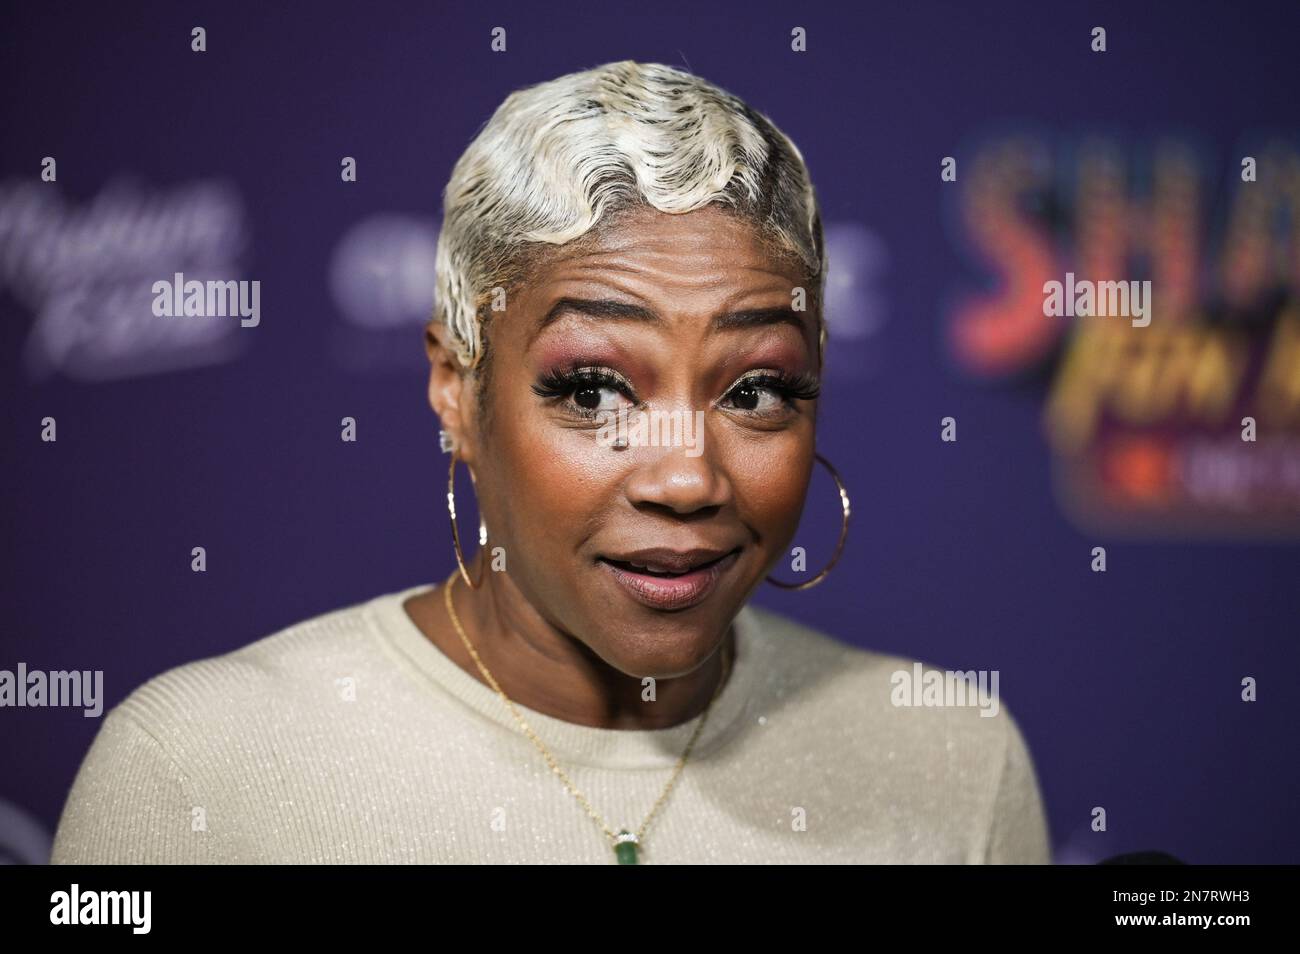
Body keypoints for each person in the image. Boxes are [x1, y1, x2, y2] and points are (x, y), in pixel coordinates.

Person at [51, 60, 1050, 865]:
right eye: (592, 390)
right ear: (456, 388)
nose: (686, 478)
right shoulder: (195, 774)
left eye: (755, 390)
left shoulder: (950, 758)